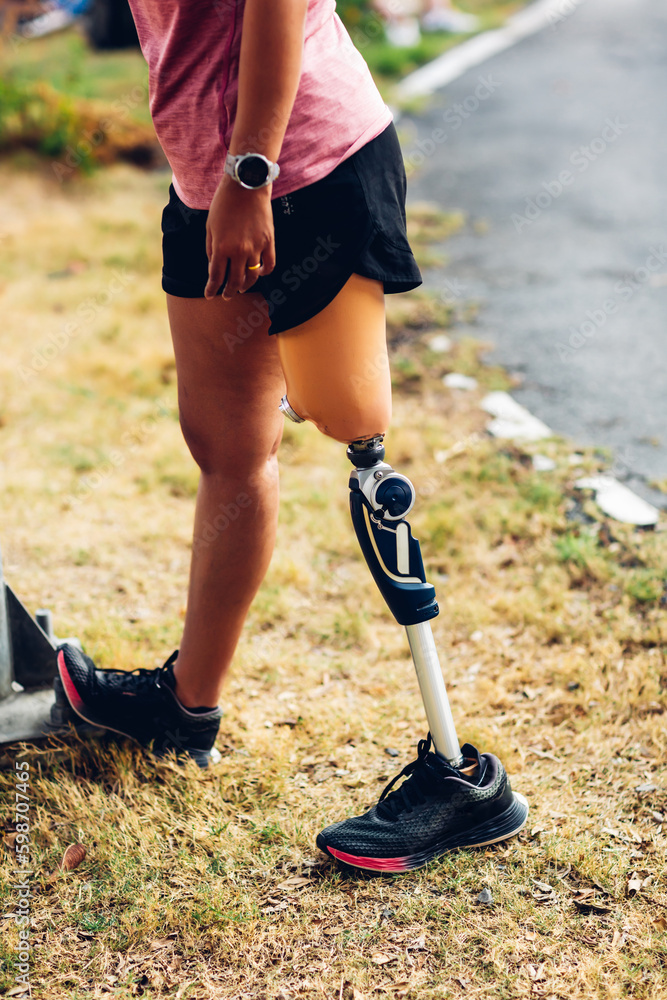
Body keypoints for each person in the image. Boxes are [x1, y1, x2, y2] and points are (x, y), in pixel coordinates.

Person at [55, 0, 527, 873]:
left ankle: (463, 781)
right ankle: (185, 707)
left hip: (298, 169)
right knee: (225, 447)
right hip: (208, 182)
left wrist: (249, 175)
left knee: (361, 449)